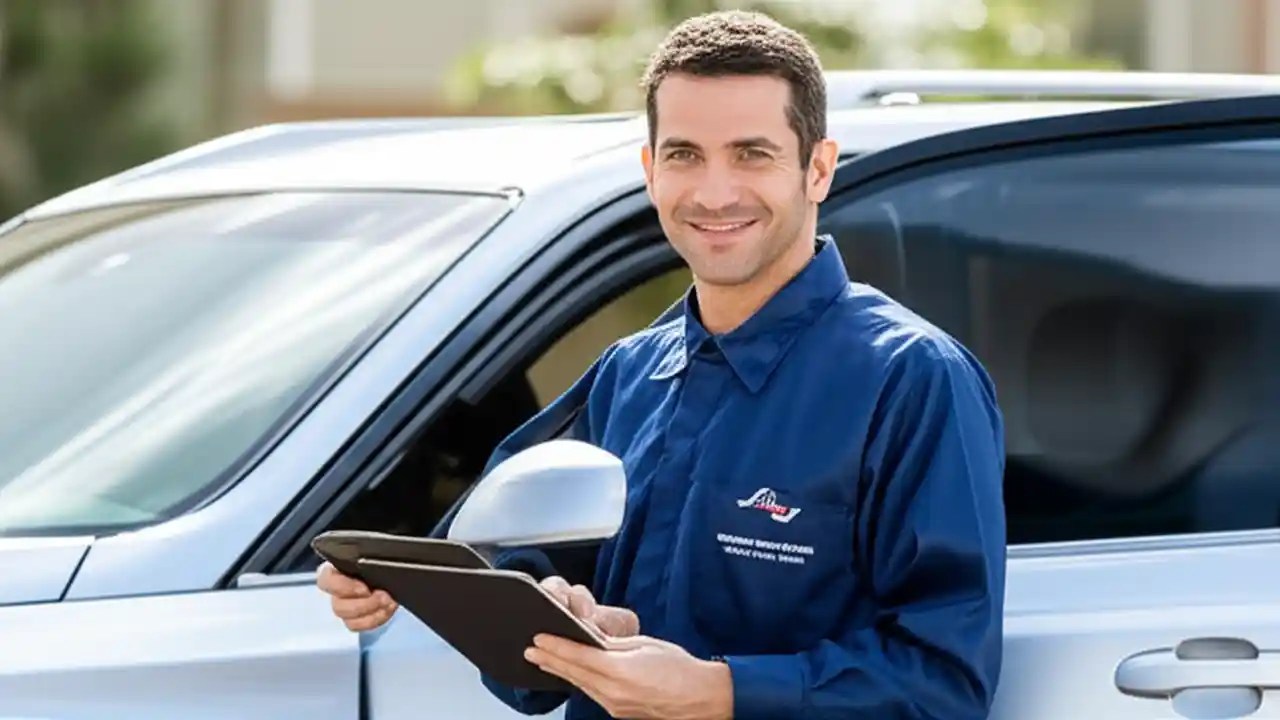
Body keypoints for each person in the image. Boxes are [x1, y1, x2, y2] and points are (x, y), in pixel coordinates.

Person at [317, 9, 1007, 720]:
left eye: (752, 154)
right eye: (684, 155)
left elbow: (944, 687)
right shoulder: (627, 378)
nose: (713, 192)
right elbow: (526, 612)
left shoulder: (912, 380)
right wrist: (554, 618)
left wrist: (721, 692)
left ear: (818, 169)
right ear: (650, 171)